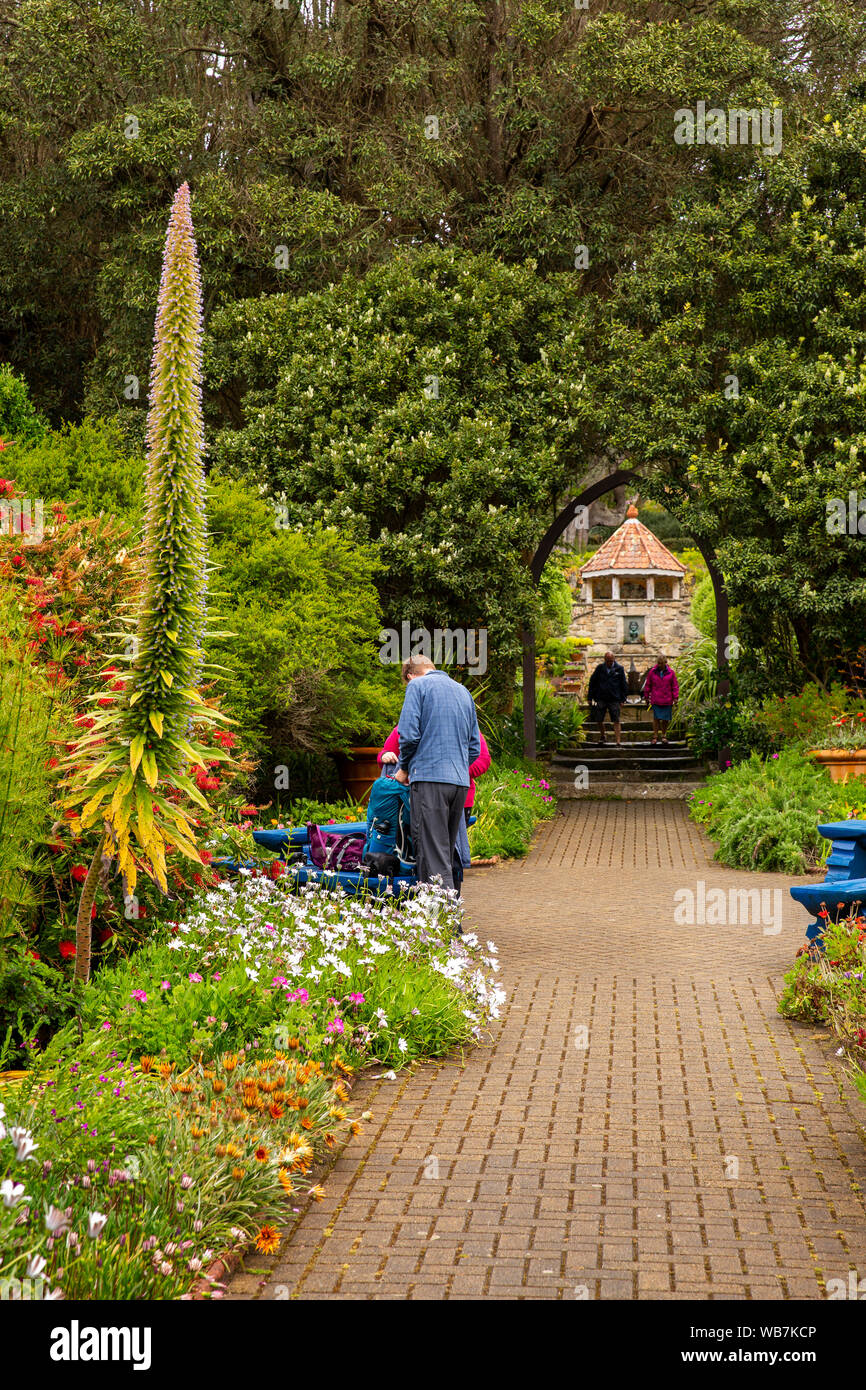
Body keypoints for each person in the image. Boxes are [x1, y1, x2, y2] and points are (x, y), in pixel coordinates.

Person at [391, 654, 481, 892]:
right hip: (460, 784)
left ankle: (447, 926)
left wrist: (404, 768)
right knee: (445, 853)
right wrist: (458, 766)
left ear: (410, 676)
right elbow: (475, 747)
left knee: (432, 857)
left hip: (429, 781)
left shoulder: (417, 687)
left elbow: (408, 735)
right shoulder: (463, 691)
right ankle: (441, 921)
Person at [379, 705, 491, 894]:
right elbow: (386, 751)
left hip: (459, 799)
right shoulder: (406, 728)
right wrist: (384, 756)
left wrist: (454, 774)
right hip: (413, 800)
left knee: (451, 853)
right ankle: (425, 899)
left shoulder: (461, 727)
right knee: (420, 852)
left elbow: (482, 759)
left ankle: (451, 900)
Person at [587, 650, 628, 746]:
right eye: (608, 661)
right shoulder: (600, 668)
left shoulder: (619, 669)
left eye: (611, 661)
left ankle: (618, 741)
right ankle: (603, 736)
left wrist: (623, 699)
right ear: (605, 660)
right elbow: (592, 682)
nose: (609, 663)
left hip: (614, 698)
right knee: (599, 719)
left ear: (614, 659)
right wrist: (590, 697)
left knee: (616, 720)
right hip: (601, 697)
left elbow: (624, 685)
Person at [642, 655, 679, 745]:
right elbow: (648, 685)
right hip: (656, 699)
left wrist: (675, 697)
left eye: (662, 663)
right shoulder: (652, 672)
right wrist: (646, 697)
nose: (660, 665)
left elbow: (675, 686)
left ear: (665, 663)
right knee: (656, 718)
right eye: (658, 663)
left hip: (667, 699)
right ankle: (655, 736)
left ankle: (663, 735)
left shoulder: (671, 673)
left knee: (665, 719)